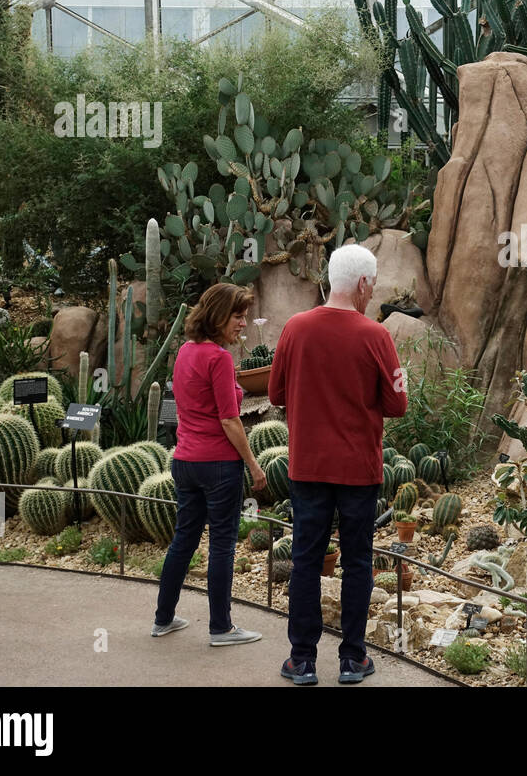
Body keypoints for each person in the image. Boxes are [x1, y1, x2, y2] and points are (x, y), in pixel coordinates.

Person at [269, 243, 407, 685]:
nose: (373, 292)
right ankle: (352, 658)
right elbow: (397, 403)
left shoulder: (295, 329)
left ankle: (302, 660)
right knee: (358, 560)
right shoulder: (376, 336)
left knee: (307, 559)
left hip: (307, 466)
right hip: (358, 470)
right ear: (363, 283)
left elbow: (274, 394)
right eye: (374, 283)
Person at [152, 282, 267, 645]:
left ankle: (163, 619)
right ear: (217, 316)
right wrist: (254, 464)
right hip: (218, 466)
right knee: (221, 544)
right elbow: (230, 420)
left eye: (245, 316)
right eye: (238, 316)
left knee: (183, 541)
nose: (243, 323)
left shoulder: (185, 351)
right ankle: (221, 628)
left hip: (185, 461)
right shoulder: (219, 359)